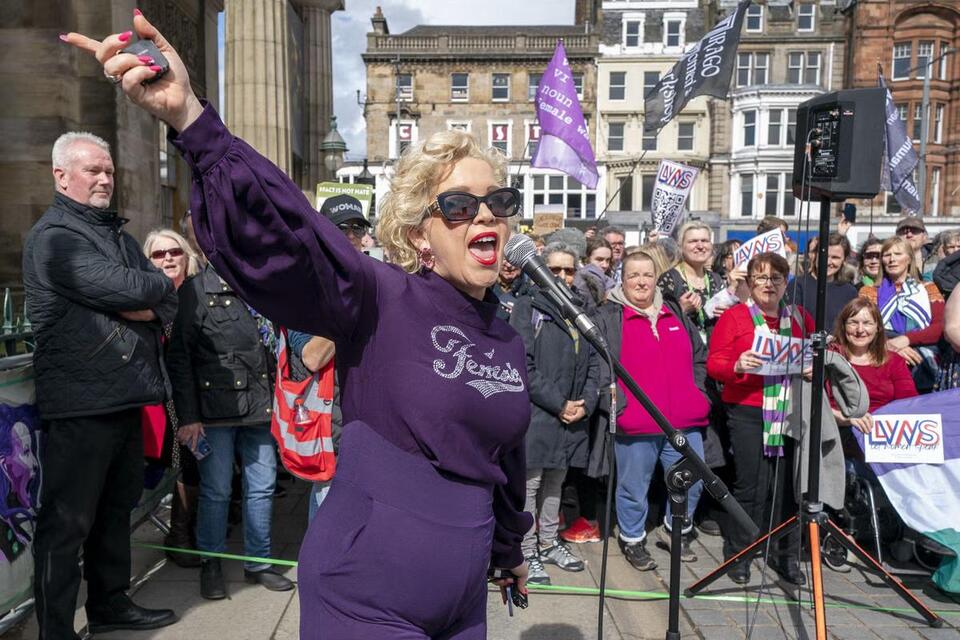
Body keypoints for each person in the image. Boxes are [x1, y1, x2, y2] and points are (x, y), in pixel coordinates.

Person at [64, 14, 534, 638]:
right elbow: (293, 233)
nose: (485, 215)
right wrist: (194, 124)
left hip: (463, 601)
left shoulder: (506, 337)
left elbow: (503, 458)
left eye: (499, 202)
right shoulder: (379, 295)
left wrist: (507, 550)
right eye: (458, 205)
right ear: (420, 234)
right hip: (364, 594)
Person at [23, 130, 178, 638]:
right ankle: (56, 631)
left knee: (115, 515)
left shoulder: (120, 237)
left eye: (108, 170)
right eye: (93, 170)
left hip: (126, 396)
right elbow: (134, 286)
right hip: (79, 403)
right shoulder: (54, 238)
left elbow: (162, 294)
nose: (105, 178)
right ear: (61, 175)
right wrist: (144, 293)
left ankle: (110, 605)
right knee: (66, 527)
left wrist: (145, 294)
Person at [166, 240, 293, 599]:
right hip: (216, 412)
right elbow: (180, 358)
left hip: (261, 407)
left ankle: (259, 563)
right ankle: (211, 562)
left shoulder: (262, 288)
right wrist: (188, 417)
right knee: (217, 491)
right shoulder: (196, 289)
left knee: (262, 487)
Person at [595, 251, 712, 570]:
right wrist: (617, 405)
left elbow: (699, 357)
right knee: (634, 487)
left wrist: (698, 393)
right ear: (623, 278)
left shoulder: (674, 311)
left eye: (647, 274)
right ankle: (632, 539)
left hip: (685, 420)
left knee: (693, 480)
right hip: (637, 422)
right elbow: (598, 367)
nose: (641, 281)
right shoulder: (609, 316)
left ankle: (677, 531)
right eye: (633, 275)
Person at [706, 252, 815, 586]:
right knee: (752, 485)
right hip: (748, 409)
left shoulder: (799, 318)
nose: (769, 284)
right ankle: (740, 552)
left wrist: (812, 369)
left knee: (787, 488)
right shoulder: (735, 318)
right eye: (761, 278)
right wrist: (737, 365)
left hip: (790, 410)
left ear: (786, 283)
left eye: (776, 278)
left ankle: (785, 555)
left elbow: (818, 353)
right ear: (749, 283)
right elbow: (714, 363)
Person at [509, 243, 599, 586]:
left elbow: (594, 363)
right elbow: (523, 365)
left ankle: (548, 542)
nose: (562, 276)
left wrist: (586, 403)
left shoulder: (579, 308)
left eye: (569, 270)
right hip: (540, 414)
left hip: (571, 417)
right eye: (555, 269)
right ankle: (527, 549)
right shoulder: (528, 306)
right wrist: (559, 404)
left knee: (555, 484)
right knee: (529, 486)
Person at [287, 194, 369, 519]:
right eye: (341, 228)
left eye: (357, 227)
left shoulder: (373, 279)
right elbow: (311, 355)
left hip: (372, 420)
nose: (350, 235)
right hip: (330, 427)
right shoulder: (304, 289)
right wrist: (354, 303)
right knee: (328, 514)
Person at [143, 228, 204, 568]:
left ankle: (190, 528)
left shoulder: (199, 292)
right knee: (187, 459)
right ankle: (179, 534)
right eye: (158, 254)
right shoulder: (146, 301)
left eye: (174, 252)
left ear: (186, 256)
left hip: (205, 390)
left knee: (202, 460)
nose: (167, 258)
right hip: (163, 397)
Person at [830, 298, 917, 457]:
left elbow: (909, 403)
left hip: (884, 438)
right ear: (843, 326)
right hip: (840, 434)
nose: (860, 329)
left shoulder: (894, 361)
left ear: (878, 328)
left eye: (867, 323)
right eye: (853, 322)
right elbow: (817, 406)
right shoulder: (830, 359)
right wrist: (846, 419)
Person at [859, 236, 945, 392]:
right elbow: (863, 326)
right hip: (883, 359)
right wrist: (891, 346)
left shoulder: (928, 289)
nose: (892, 259)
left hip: (924, 364)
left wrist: (905, 339)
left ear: (909, 259)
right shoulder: (869, 292)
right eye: (887, 255)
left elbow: (940, 326)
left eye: (898, 254)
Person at [657, 221, 726, 342]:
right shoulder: (669, 279)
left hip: (712, 352)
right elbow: (658, 322)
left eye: (705, 241)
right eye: (693, 241)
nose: (700, 246)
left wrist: (727, 313)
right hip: (683, 350)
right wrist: (682, 309)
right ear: (681, 247)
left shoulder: (716, 279)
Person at [791, 232, 858, 333]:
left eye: (835, 257)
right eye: (824, 256)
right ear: (815, 255)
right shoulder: (797, 285)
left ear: (844, 260)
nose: (828, 262)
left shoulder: (850, 291)